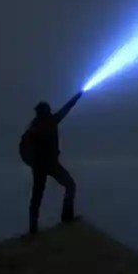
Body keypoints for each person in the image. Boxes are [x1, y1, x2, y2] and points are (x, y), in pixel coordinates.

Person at [22, 90, 83, 234]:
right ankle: (66, 217)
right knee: (70, 185)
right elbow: (66, 108)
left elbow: (25, 147)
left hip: (40, 166)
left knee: (37, 197)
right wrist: (77, 96)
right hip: (48, 165)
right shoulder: (49, 122)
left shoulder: (35, 126)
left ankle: (33, 228)